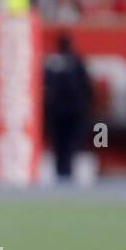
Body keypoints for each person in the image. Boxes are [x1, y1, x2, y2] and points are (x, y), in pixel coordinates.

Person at [43, 32, 92, 182]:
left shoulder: (52, 62)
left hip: (56, 110)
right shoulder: (76, 61)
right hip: (73, 110)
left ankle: (60, 172)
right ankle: (67, 172)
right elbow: (86, 86)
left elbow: (45, 85)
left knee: (59, 143)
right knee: (70, 143)